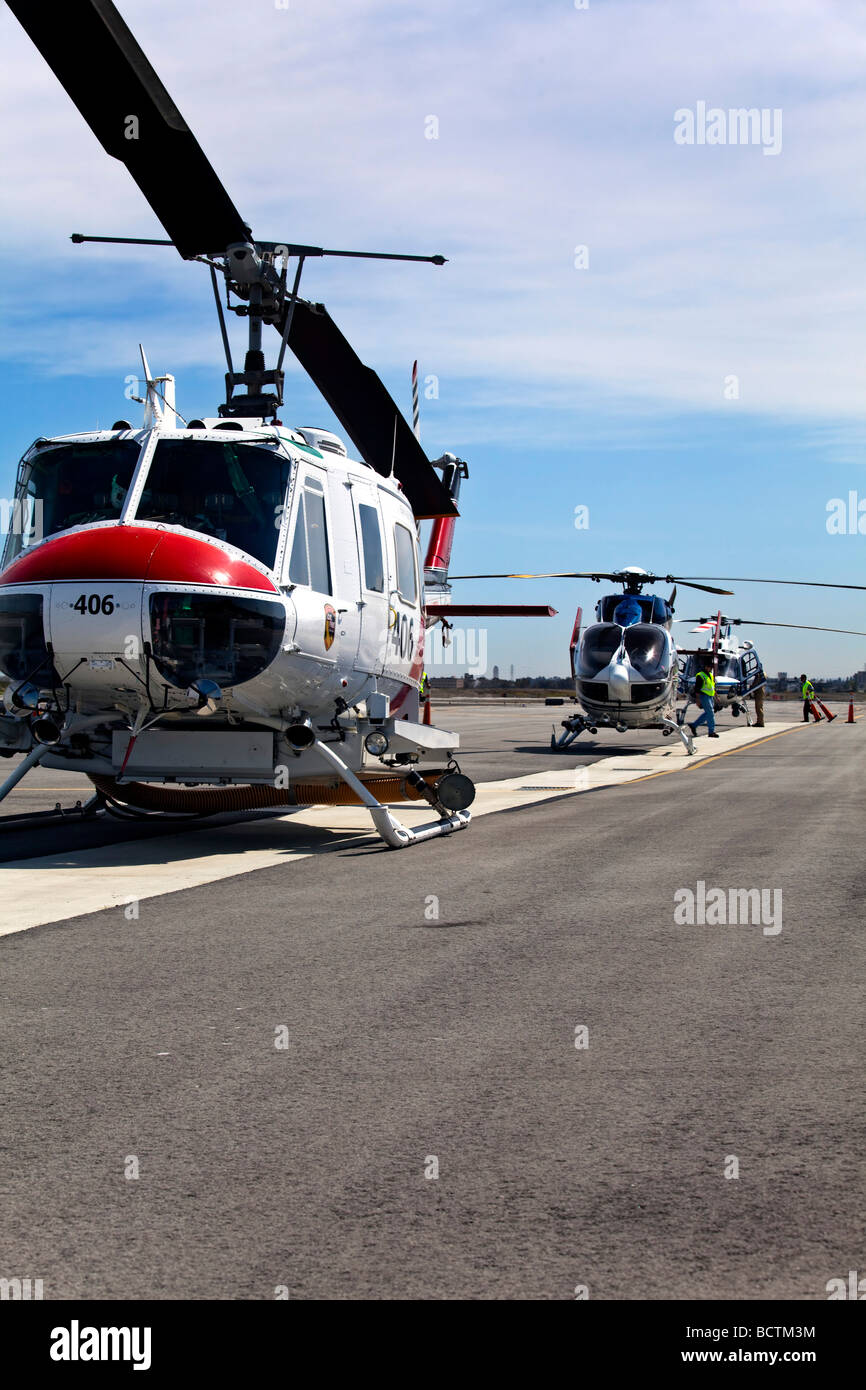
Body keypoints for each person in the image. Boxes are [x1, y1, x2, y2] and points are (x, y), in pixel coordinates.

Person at [688, 660, 719, 738]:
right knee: (711, 713)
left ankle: (694, 725)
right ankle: (711, 732)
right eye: (709, 667)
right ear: (705, 667)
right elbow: (697, 689)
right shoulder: (700, 675)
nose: (710, 669)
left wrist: (716, 696)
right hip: (704, 696)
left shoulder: (710, 675)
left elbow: (712, 686)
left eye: (711, 667)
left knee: (707, 714)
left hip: (710, 696)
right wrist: (698, 700)